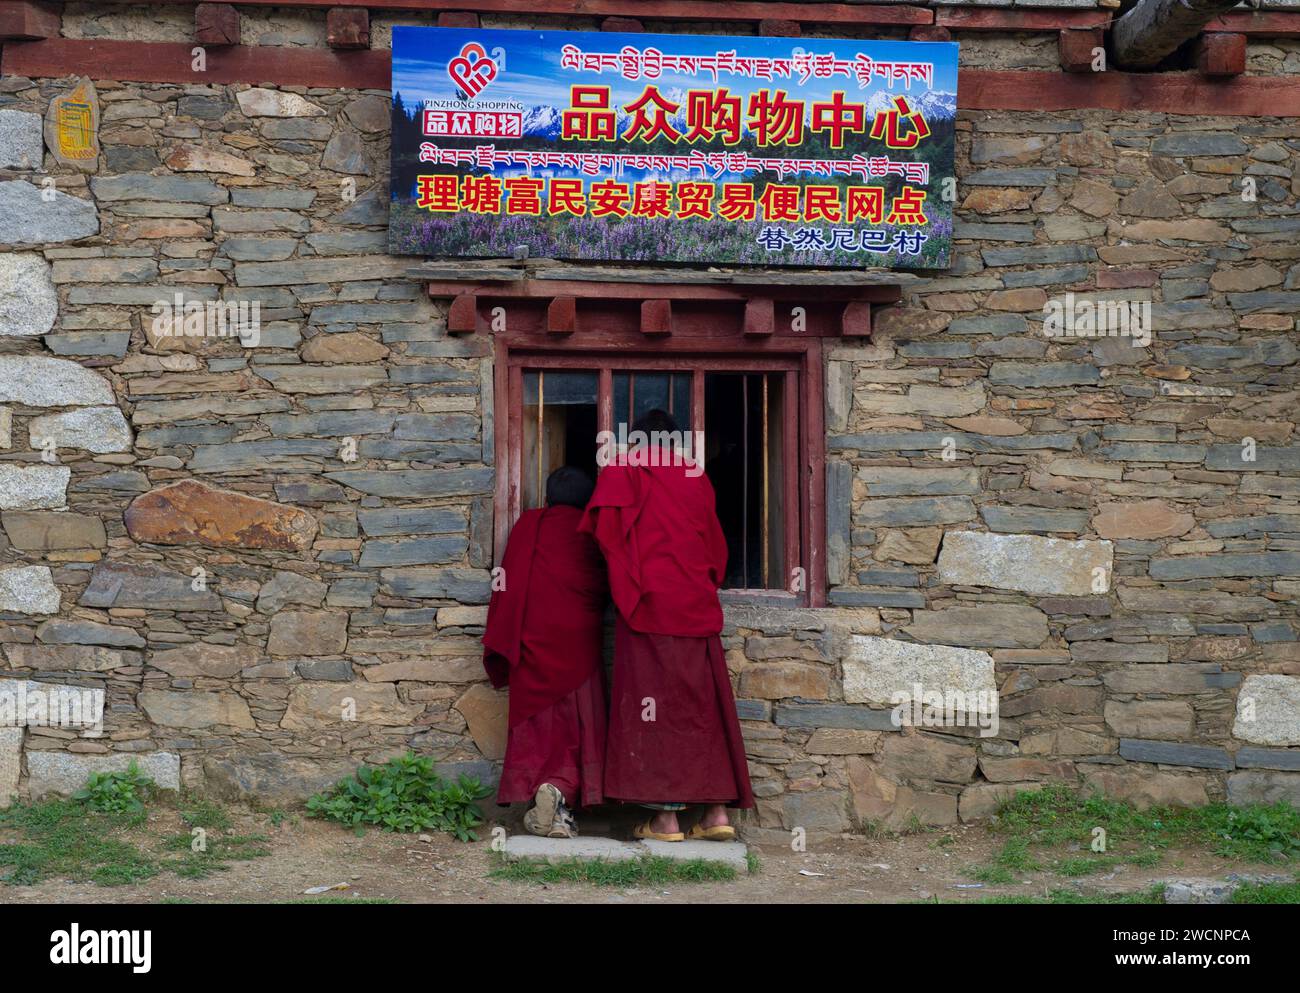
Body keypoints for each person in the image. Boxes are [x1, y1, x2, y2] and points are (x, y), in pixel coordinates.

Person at [580, 409, 754, 842]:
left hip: (648, 608)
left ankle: (666, 821)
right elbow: (714, 546)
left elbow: (605, 538)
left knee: (655, 712)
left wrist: (624, 585)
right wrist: (700, 581)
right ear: (675, 444)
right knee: (703, 709)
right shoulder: (696, 476)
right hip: (695, 605)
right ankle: (715, 814)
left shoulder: (623, 469)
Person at [482, 466, 609, 838]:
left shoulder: (529, 525)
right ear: (588, 501)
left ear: (548, 497)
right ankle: (562, 795)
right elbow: (604, 584)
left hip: (532, 640)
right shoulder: (591, 531)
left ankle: (544, 792)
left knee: (538, 723)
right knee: (578, 721)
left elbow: (507, 581)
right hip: (578, 640)